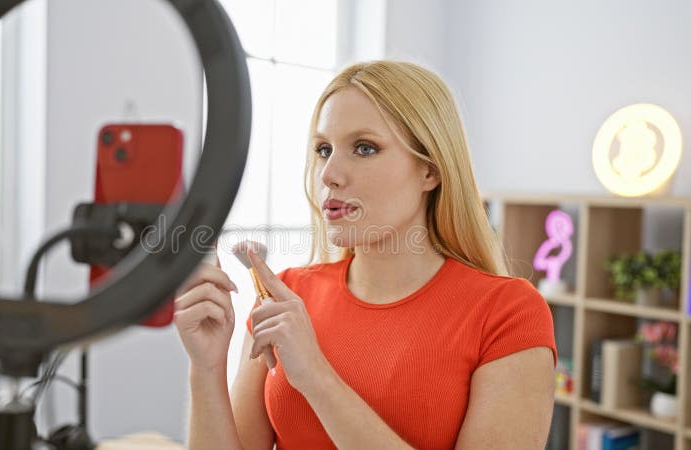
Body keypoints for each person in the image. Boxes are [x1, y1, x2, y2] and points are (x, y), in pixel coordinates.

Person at [173, 60, 557, 449]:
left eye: (364, 148)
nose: (329, 174)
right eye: (323, 149)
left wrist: (317, 378)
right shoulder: (285, 294)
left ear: (430, 170)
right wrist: (205, 367)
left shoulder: (508, 314)